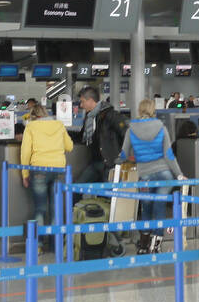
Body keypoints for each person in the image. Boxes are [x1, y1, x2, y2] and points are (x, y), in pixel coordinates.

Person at [118, 98, 186, 253]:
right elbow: (169, 154)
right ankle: (156, 245)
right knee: (160, 206)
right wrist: (180, 175)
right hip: (165, 175)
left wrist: (121, 160)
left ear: (139, 110)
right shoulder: (161, 127)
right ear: (153, 110)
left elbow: (123, 153)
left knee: (147, 208)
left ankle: (143, 244)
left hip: (145, 177)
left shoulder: (131, 129)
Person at [20, 102, 73, 254]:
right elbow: (69, 146)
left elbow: (25, 153)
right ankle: (56, 245)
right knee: (56, 209)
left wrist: (24, 174)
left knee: (40, 209)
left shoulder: (30, 127)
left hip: (39, 170)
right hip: (59, 170)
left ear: (33, 116)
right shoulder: (59, 125)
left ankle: (38, 246)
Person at [75, 86, 127, 186]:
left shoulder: (110, 115)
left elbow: (126, 132)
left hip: (108, 163)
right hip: (95, 162)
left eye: (82, 102)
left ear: (90, 100)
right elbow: (82, 136)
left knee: (108, 195)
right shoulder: (89, 117)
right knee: (78, 186)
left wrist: (122, 154)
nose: (81, 105)